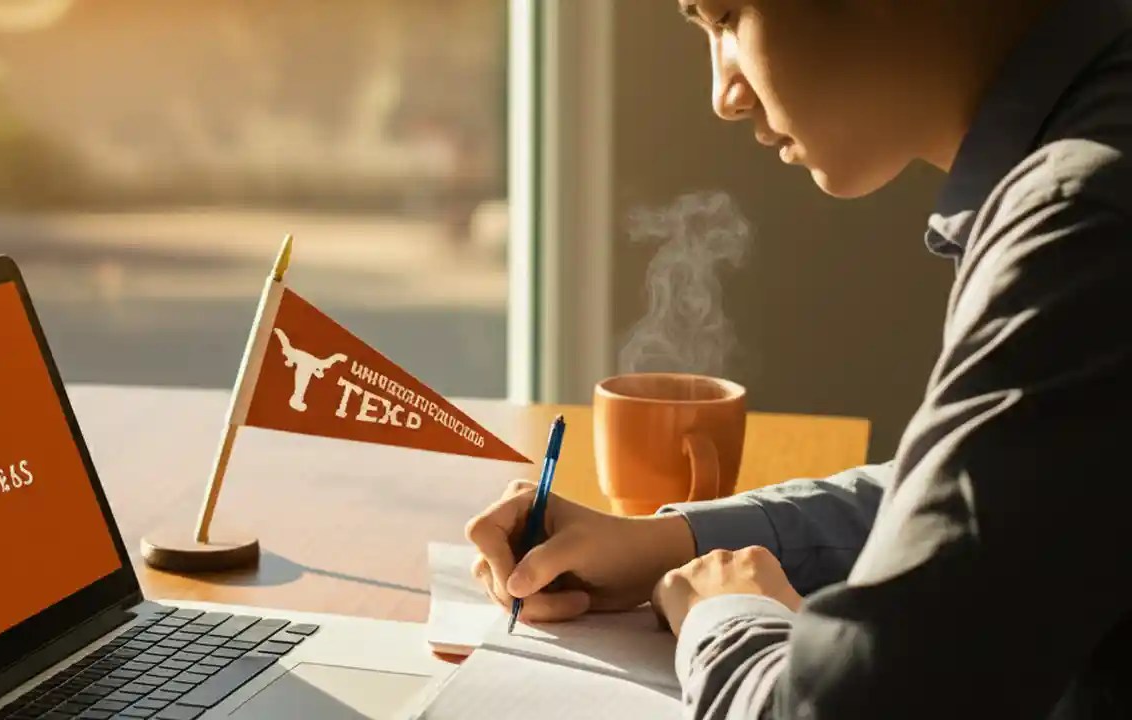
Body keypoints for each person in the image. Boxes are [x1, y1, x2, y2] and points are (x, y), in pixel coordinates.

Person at [465, 0, 1132, 717]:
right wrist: (672, 541)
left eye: (724, 17)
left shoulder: (1084, 221)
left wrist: (726, 620)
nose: (723, 94)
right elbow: (996, 511)